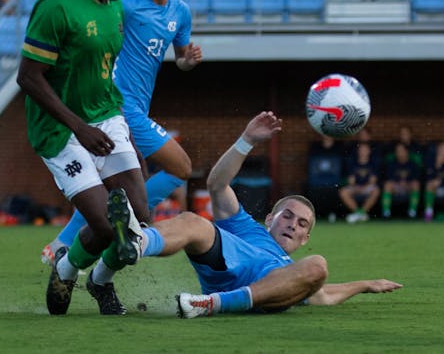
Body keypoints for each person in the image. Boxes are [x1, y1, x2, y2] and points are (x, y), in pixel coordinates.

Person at [91, 111, 402, 318]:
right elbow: (217, 184)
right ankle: (136, 242)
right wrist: (247, 141)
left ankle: (214, 305)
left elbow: (322, 294)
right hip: (221, 269)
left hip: (263, 295)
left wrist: (364, 284)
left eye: (301, 224)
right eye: (287, 216)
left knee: (319, 265)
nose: (292, 225)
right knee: (193, 221)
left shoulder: (291, 269)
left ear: (306, 238)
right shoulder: (245, 228)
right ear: (269, 219)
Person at [40, 0, 203, 270]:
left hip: (138, 108)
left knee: (121, 182)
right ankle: (133, 225)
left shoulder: (180, 13)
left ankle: (64, 243)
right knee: (181, 168)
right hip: (118, 107)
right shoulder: (125, 7)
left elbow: (181, 59)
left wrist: (188, 60)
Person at [16, 0, 147, 317]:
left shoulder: (116, 7)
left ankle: (99, 280)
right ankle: (66, 267)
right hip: (61, 129)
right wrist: (78, 127)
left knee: (139, 218)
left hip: (105, 116)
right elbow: (28, 77)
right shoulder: (56, 5)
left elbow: (104, 74)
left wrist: (122, 129)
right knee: (107, 227)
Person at [338, 142, 381, 223]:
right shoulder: (353, 163)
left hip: (367, 187)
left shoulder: (373, 163)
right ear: (358, 151)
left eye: (365, 150)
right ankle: (359, 213)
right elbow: (351, 181)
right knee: (343, 192)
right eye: (361, 150)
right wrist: (356, 187)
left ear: (369, 151)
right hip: (356, 187)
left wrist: (363, 188)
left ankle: (362, 212)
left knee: (376, 190)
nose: (363, 152)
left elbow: (373, 181)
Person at [381, 142, 421, 219]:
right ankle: (386, 213)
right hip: (396, 187)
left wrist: (406, 184)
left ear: (407, 152)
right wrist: (398, 184)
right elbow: (389, 179)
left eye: (401, 151)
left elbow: (415, 179)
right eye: (398, 151)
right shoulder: (392, 163)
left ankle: (412, 213)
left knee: (416, 184)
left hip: (408, 188)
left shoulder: (412, 164)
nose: (399, 153)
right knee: (387, 185)